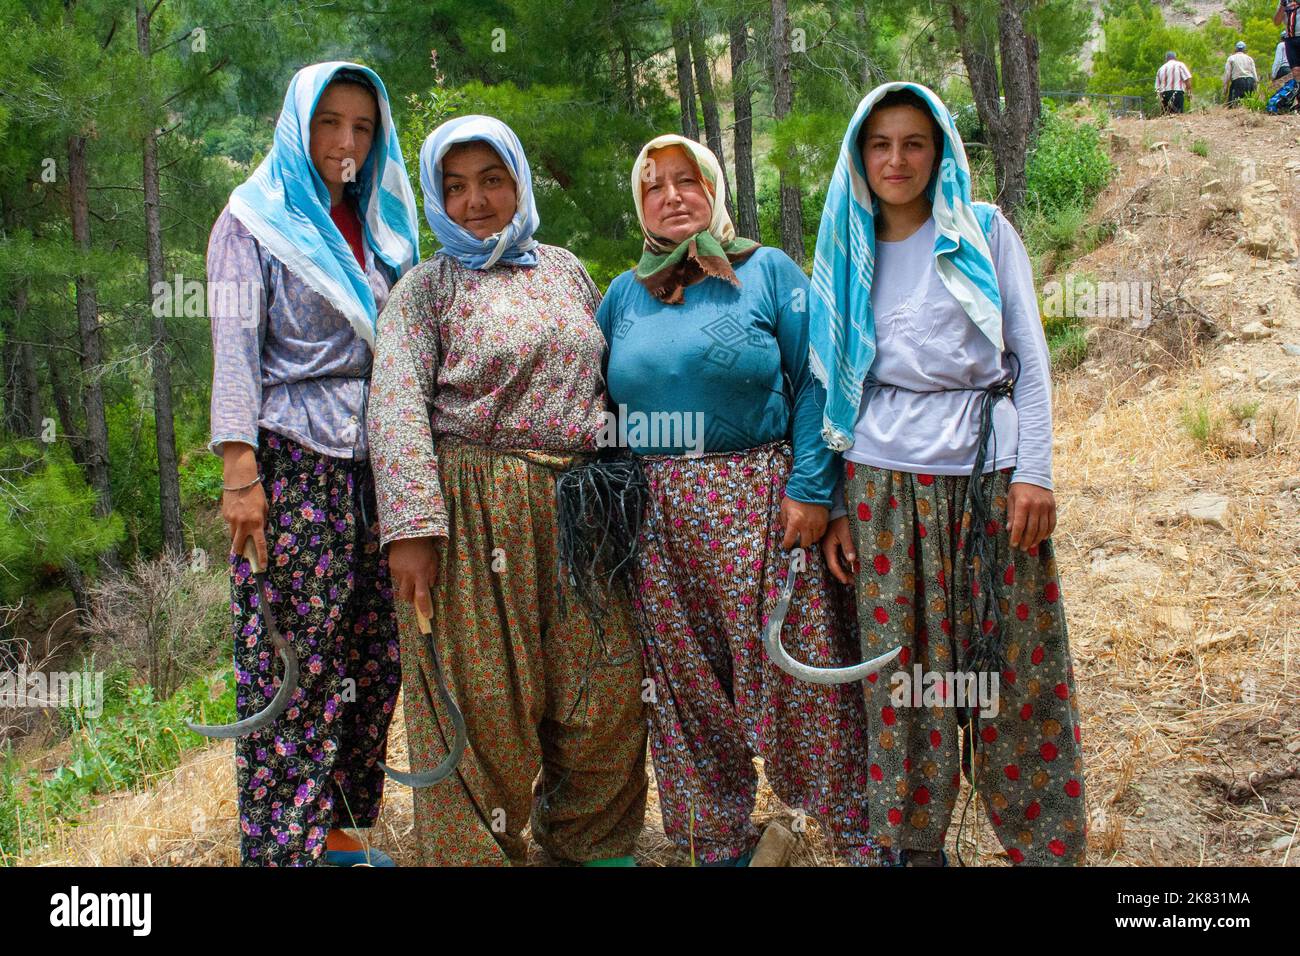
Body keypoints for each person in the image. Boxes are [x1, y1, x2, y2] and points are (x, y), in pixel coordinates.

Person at [812, 82, 1087, 866]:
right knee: (903, 680)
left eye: (914, 143)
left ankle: (1042, 845)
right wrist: (834, 502)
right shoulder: (844, 243)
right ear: (860, 156)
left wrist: (1034, 471)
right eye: (879, 144)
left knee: (1013, 668)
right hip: (882, 486)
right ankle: (910, 846)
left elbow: (1030, 361)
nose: (896, 160)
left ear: (940, 153)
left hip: (988, 476)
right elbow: (831, 384)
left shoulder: (984, 231)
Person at [367, 115, 649, 867]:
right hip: (471, 510)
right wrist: (412, 528)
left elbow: (610, 375)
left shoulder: (565, 270)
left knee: (606, 690)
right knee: (482, 702)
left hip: (582, 510)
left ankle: (594, 849)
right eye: (454, 187)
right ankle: (477, 853)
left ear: (520, 181)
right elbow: (394, 401)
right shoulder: (426, 290)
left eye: (492, 179)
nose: (475, 201)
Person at [595, 134, 879, 866]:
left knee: (799, 674)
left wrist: (814, 490)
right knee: (684, 689)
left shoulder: (768, 272)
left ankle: (854, 833)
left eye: (687, 180)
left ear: (713, 190)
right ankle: (715, 839)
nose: (672, 196)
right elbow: (597, 402)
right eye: (654, 185)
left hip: (762, 503)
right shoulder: (624, 295)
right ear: (640, 203)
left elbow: (817, 379)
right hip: (657, 519)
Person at [207, 61, 420, 866]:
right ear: (299, 125)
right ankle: (282, 849)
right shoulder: (252, 223)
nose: (347, 143)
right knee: (293, 661)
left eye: (363, 127)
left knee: (372, 659)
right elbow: (234, 354)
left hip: (379, 465)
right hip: (296, 466)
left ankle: (342, 838)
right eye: (330, 122)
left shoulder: (384, 226)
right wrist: (240, 473)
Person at [1223, 41, 1259, 105]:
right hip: (1250, 82)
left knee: (1233, 104)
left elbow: (1227, 75)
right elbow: (1255, 75)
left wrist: (1225, 90)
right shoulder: (1249, 59)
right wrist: (1256, 88)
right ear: (1244, 49)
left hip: (1238, 82)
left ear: (1236, 49)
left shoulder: (1231, 58)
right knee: (1249, 104)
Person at [1277, 1, 1300, 81]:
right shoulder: (1284, 1)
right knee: (1295, 70)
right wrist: (1282, 6)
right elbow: (1277, 21)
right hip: (1290, 38)